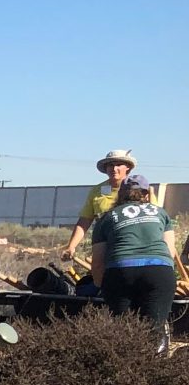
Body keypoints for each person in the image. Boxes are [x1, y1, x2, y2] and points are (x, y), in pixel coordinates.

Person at [90, 174, 180, 348]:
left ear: (120, 194)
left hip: (121, 270)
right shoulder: (161, 213)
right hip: (159, 271)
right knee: (155, 330)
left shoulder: (107, 218)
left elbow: (98, 262)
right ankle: (157, 361)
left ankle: (124, 363)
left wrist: (103, 286)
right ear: (146, 194)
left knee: (123, 332)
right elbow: (170, 252)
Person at [61, 149, 137, 262]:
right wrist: (71, 246)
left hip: (133, 244)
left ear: (128, 167)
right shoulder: (97, 190)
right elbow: (85, 221)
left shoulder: (138, 189)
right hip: (104, 243)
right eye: (110, 165)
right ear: (106, 168)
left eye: (119, 164)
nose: (114, 168)